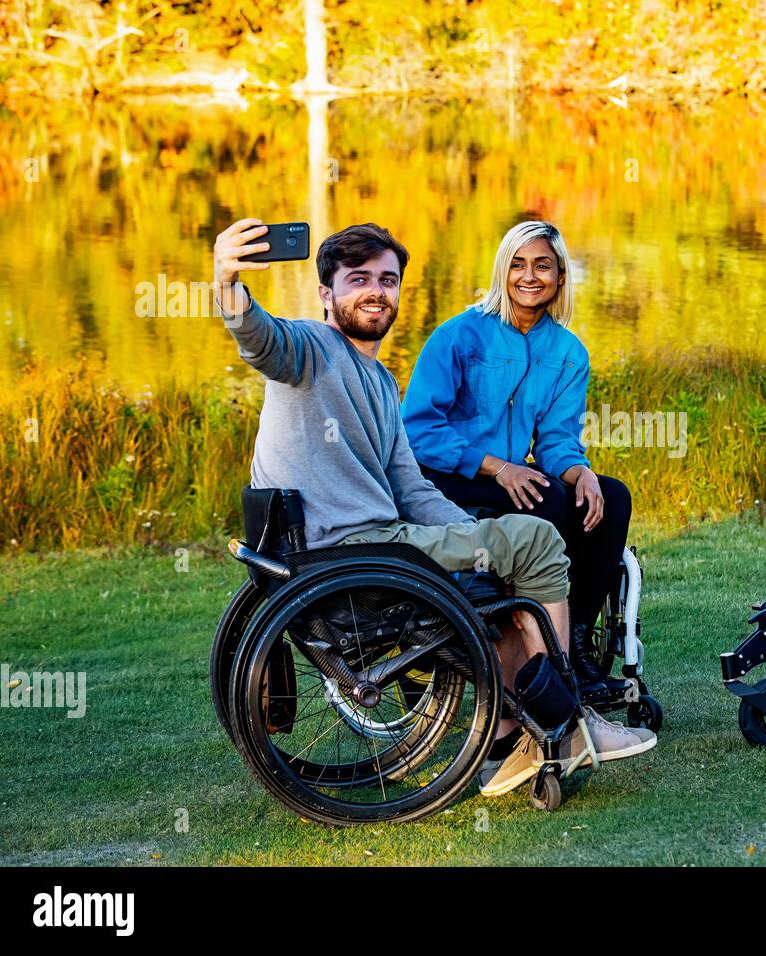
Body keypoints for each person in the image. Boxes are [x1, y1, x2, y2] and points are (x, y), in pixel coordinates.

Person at [211, 218, 654, 798]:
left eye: (387, 280)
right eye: (358, 279)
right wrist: (226, 282)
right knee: (539, 542)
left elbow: (412, 486)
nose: (376, 291)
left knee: (505, 561)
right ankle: (566, 723)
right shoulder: (310, 351)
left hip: (377, 543)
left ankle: (505, 736)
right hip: (351, 553)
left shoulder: (378, 379)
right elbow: (259, 340)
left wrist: (474, 536)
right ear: (326, 293)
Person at [400, 221, 633, 701]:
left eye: (542, 265)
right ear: (503, 271)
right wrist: (497, 467)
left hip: (515, 478)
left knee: (610, 497)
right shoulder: (460, 336)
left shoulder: (568, 353)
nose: (530, 276)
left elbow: (556, 441)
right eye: (519, 264)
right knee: (546, 501)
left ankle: (577, 642)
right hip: (445, 476)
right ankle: (543, 656)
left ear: (561, 277)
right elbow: (418, 429)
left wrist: (580, 472)